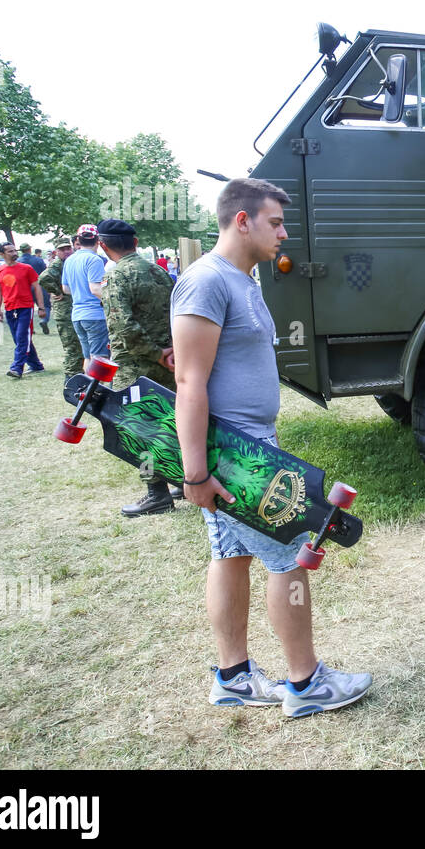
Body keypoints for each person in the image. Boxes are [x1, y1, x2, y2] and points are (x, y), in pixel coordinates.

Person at [172, 177, 371, 716]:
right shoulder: (206, 281)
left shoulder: (244, 280)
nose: (284, 233)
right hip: (238, 456)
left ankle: (233, 678)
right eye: (276, 222)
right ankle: (306, 685)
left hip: (249, 446)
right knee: (291, 561)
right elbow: (189, 383)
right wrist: (195, 475)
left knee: (230, 555)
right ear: (243, 220)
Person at [99, 218, 182, 516]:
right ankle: (184, 480)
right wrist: (168, 353)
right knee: (171, 424)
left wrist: (155, 353)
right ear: (135, 242)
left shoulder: (116, 277)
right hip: (170, 363)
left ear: (103, 246)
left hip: (136, 367)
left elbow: (122, 327)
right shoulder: (159, 271)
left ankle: (156, 493)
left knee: (138, 431)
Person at [0, 243, 45, 378]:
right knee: (20, 339)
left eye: (14, 250)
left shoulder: (27, 268)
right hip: (10, 309)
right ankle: (36, 365)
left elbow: (37, 288)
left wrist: (41, 307)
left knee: (22, 337)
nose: (14, 253)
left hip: (26, 307)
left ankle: (17, 368)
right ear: (2, 254)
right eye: (10, 251)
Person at [62, 224, 110, 371]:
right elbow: (95, 289)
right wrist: (114, 301)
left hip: (78, 316)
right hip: (95, 316)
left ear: (78, 239)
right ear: (98, 240)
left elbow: (65, 289)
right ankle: (92, 392)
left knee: (88, 357)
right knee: (100, 359)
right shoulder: (95, 260)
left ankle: (87, 390)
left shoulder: (70, 260)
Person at [37, 239, 83, 380]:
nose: (66, 251)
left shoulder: (71, 262)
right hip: (64, 312)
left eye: (68, 248)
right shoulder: (57, 265)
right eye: (62, 249)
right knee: (72, 347)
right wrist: (58, 292)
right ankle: (71, 378)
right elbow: (43, 278)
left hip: (74, 309)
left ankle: (79, 376)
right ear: (57, 252)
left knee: (80, 346)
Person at [17, 243, 51, 335]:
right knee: (46, 305)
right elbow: (45, 274)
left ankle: (29, 327)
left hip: (25, 288)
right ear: (29, 249)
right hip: (39, 286)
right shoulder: (38, 260)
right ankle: (44, 320)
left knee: (27, 308)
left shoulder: (18, 261)